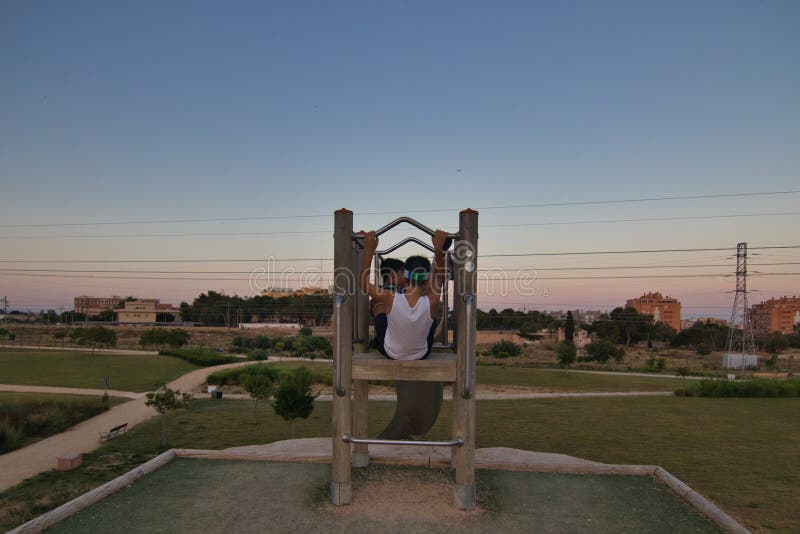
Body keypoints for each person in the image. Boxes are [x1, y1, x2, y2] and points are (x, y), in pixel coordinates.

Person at [361, 230, 447, 360]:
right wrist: (438, 250)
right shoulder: (432, 302)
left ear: (405, 278)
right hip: (421, 355)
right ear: (427, 280)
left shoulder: (390, 297)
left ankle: (379, 341)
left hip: (391, 353)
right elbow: (440, 276)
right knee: (432, 319)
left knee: (383, 316)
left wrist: (369, 249)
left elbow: (363, 283)